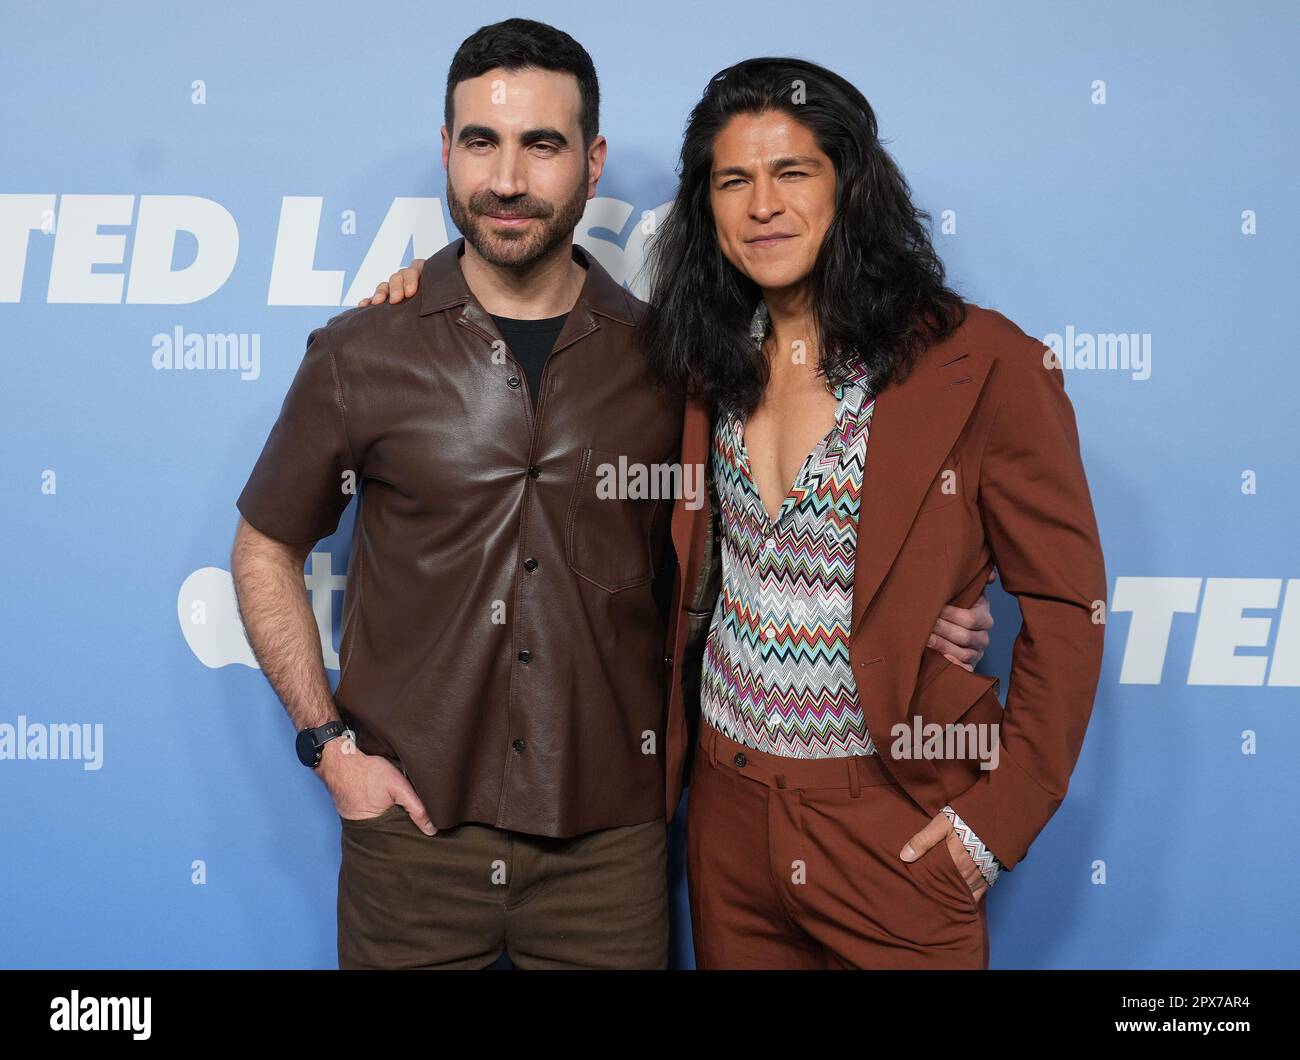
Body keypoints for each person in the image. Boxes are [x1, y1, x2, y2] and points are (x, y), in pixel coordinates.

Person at [234, 21, 992, 970]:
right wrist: (329, 748)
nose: (507, 178)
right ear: (447, 152)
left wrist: (918, 612)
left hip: (613, 855)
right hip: (409, 847)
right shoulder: (362, 351)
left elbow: (777, 534)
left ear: (591, 164)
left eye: (541, 144)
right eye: (482, 142)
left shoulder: (677, 361)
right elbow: (264, 545)